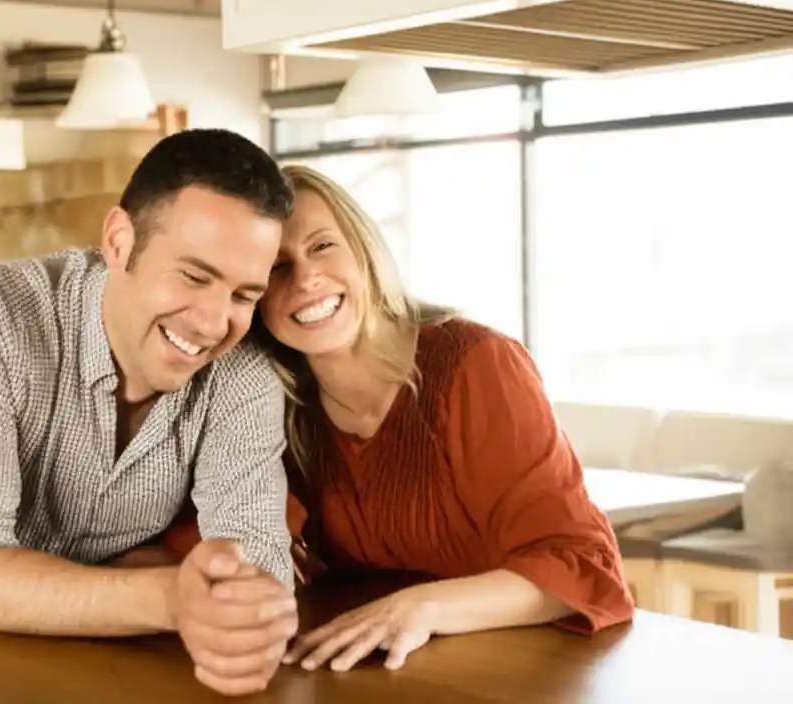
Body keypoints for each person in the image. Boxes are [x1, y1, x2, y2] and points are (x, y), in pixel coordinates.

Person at [0, 129, 301, 697]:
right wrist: (168, 594)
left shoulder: (242, 374)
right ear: (118, 241)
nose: (212, 322)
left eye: (242, 295)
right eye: (194, 276)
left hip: (110, 682)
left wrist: (231, 605)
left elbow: (259, 574)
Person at [256, 164, 635, 672]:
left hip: (528, 669)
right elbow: (247, 544)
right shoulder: (276, 402)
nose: (305, 279)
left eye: (322, 246)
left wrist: (423, 606)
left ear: (364, 249)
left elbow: (584, 567)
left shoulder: (477, 364)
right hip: (383, 673)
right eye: (276, 267)